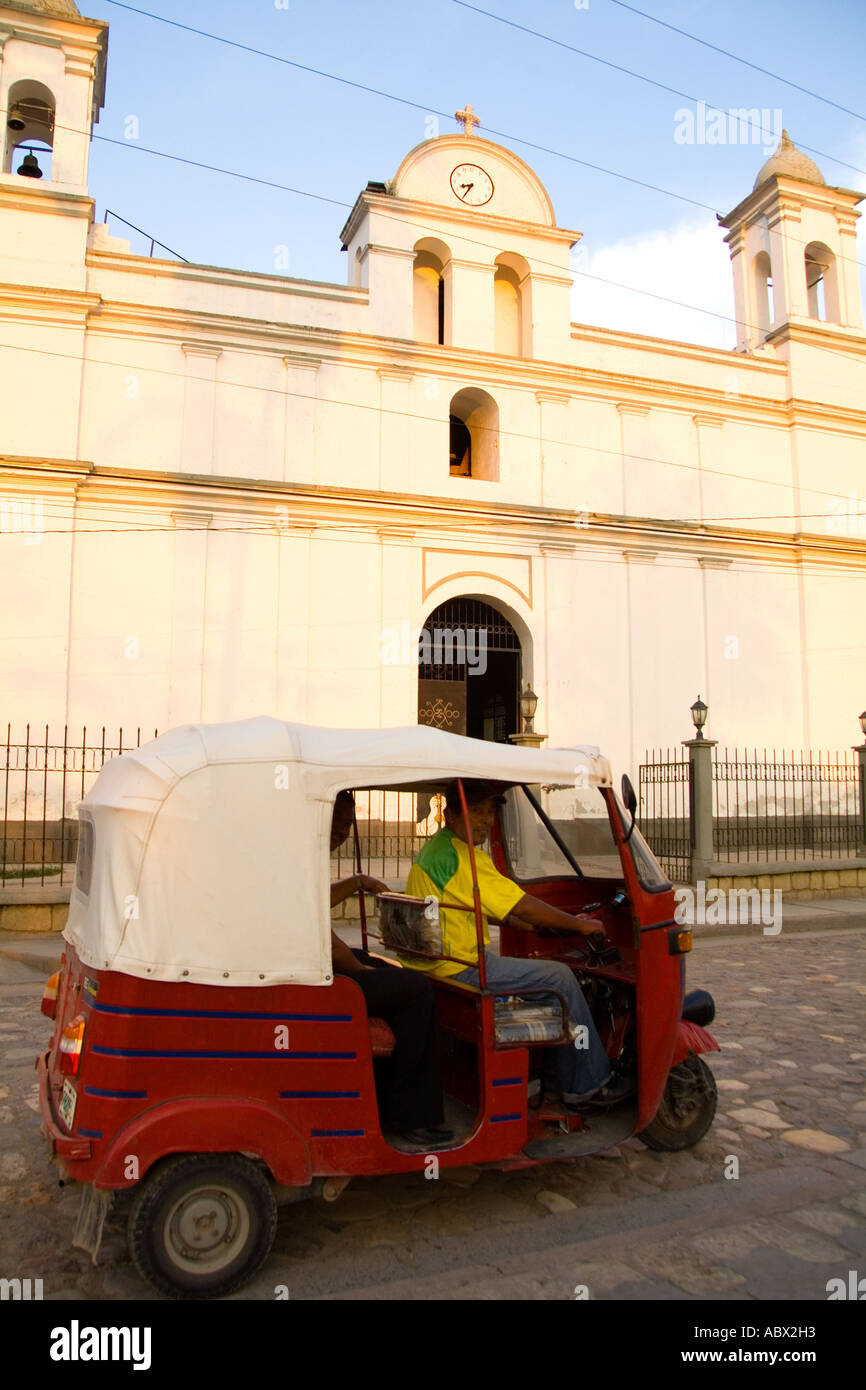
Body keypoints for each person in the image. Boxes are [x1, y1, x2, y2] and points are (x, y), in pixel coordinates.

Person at [403, 779, 634, 1108]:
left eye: (490, 812)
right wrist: (582, 925)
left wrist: (516, 921)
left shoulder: (437, 849)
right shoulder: (461, 856)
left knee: (551, 978)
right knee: (561, 978)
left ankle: (554, 1078)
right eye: (477, 812)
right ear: (451, 814)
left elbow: (473, 906)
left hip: (438, 965)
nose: (486, 820)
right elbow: (521, 902)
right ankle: (588, 1085)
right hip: (460, 968)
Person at [329, 791, 452, 1147]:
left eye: (347, 825)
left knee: (377, 963)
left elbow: (315, 903)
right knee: (416, 990)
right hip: (316, 980)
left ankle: (385, 1089)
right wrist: (360, 970)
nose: (342, 833)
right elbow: (318, 932)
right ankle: (411, 1116)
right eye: (337, 824)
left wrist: (358, 882)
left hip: (313, 968)